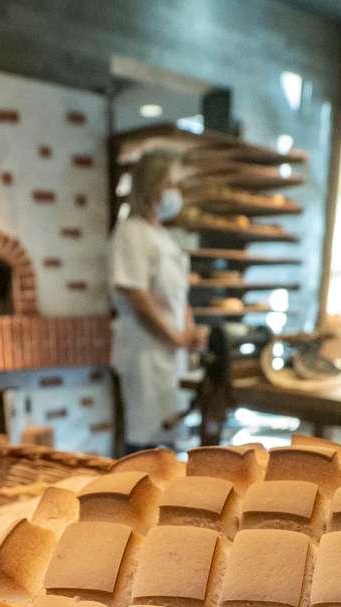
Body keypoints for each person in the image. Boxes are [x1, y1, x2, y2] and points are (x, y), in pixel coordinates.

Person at [108, 149, 205, 450]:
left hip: (170, 352)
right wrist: (174, 337)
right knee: (147, 444)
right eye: (170, 185)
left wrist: (188, 331)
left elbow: (179, 295)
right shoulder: (130, 233)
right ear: (151, 187)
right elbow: (136, 295)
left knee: (172, 439)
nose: (175, 193)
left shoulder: (162, 236)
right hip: (146, 353)